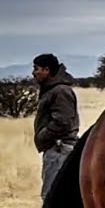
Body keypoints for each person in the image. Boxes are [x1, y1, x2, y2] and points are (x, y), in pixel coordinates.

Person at [31, 53, 80, 200]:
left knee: (53, 196)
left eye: (36, 68)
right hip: (57, 148)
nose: (34, 72)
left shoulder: (60, 91)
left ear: (46, 70)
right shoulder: (54, 89)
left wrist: (43, 135)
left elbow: (63, 122)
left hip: (60, 149)